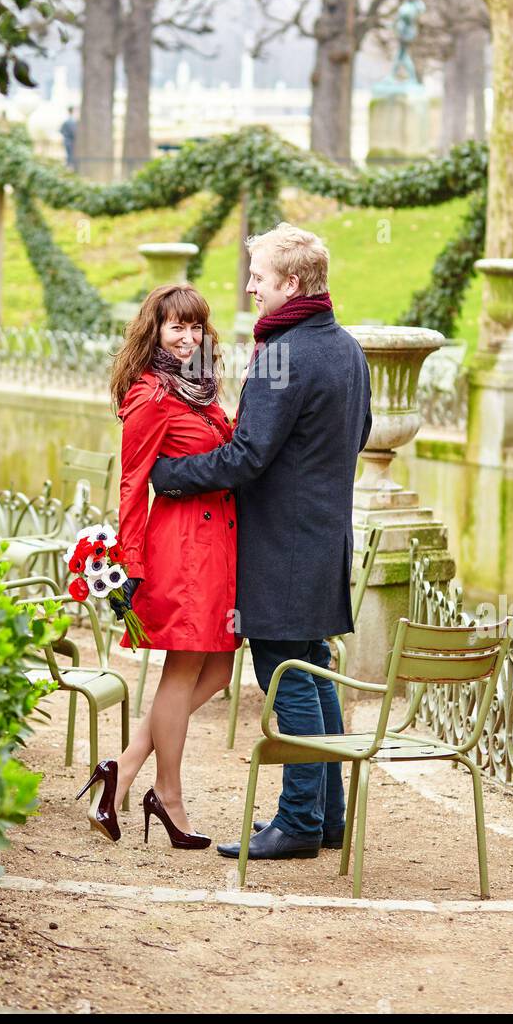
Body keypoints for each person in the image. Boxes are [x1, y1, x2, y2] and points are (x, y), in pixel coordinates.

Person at [150, 222, 372, 861]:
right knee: (314, 670)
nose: (250, 287)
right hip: (325, 538)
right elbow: (359, 433)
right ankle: (328, 816)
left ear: (291, 284)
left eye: (259, 277)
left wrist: (174, 477)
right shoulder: (347, 349)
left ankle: (300, 820)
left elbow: (246, 456)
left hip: (281, 547)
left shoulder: (284, 354)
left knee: (286, 675)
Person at [76, 284, 240, 849]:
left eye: (196, 328)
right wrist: (131, 561)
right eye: (177, 327)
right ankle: (169, 800)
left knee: (217, 671)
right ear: (155, 330)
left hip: (217, 546)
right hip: (185, 551)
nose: (189, 338)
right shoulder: (151, 395)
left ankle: (121, 768)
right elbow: (131, 483)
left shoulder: (199, 390)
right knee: (183, 672)